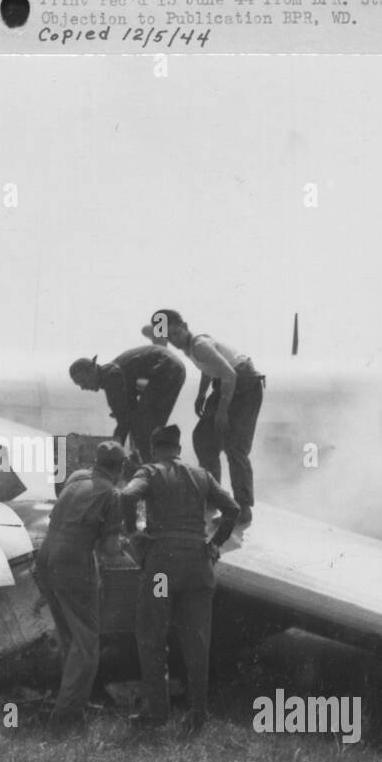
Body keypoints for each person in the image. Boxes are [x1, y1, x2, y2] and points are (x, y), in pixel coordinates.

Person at [120, 424, 239, 734]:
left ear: (154, 449)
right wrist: (214, 544)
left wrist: (133, 533)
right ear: (178, 448)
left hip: (163, 570)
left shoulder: (150, 471)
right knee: (198, 641)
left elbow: (127, 495)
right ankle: (198, 714)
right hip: (199, 568)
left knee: (152, 635)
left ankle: (157, 713)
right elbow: (233, 508)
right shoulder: (201, 475)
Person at [34, 440, 128, 732]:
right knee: (87, 644)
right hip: (73, 562)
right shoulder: (111, 494)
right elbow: (110, 548)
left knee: (69, 639)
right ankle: (67, 715)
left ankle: (69, 700)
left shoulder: (75, 477)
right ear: (121, 467)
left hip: (45, 558)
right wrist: (129, 543)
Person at [159, 308, 264, 526]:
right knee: (203, 439)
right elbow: (209, 368)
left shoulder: (198, 345)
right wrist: (201, 394)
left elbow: (230, 374)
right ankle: (214, 498)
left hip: (245, 386)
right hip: (227, 384)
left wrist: (222, 411)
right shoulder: (190, 347)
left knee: (236, 448)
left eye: (177, 333)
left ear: (185, 327)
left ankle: (242, 510)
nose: (175, 340)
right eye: (170, 337)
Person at [69, 345, 186, 464]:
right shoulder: (112, 372)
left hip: (167, 370)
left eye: (82, 382)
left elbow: (124, 422)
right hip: (169, 368)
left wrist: (110, 453)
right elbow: (130, 412)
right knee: (141, 427)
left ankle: (149, 469)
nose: (83, 387)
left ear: (92, 370)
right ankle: (146, 464)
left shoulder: (111, 377)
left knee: (143, 429)